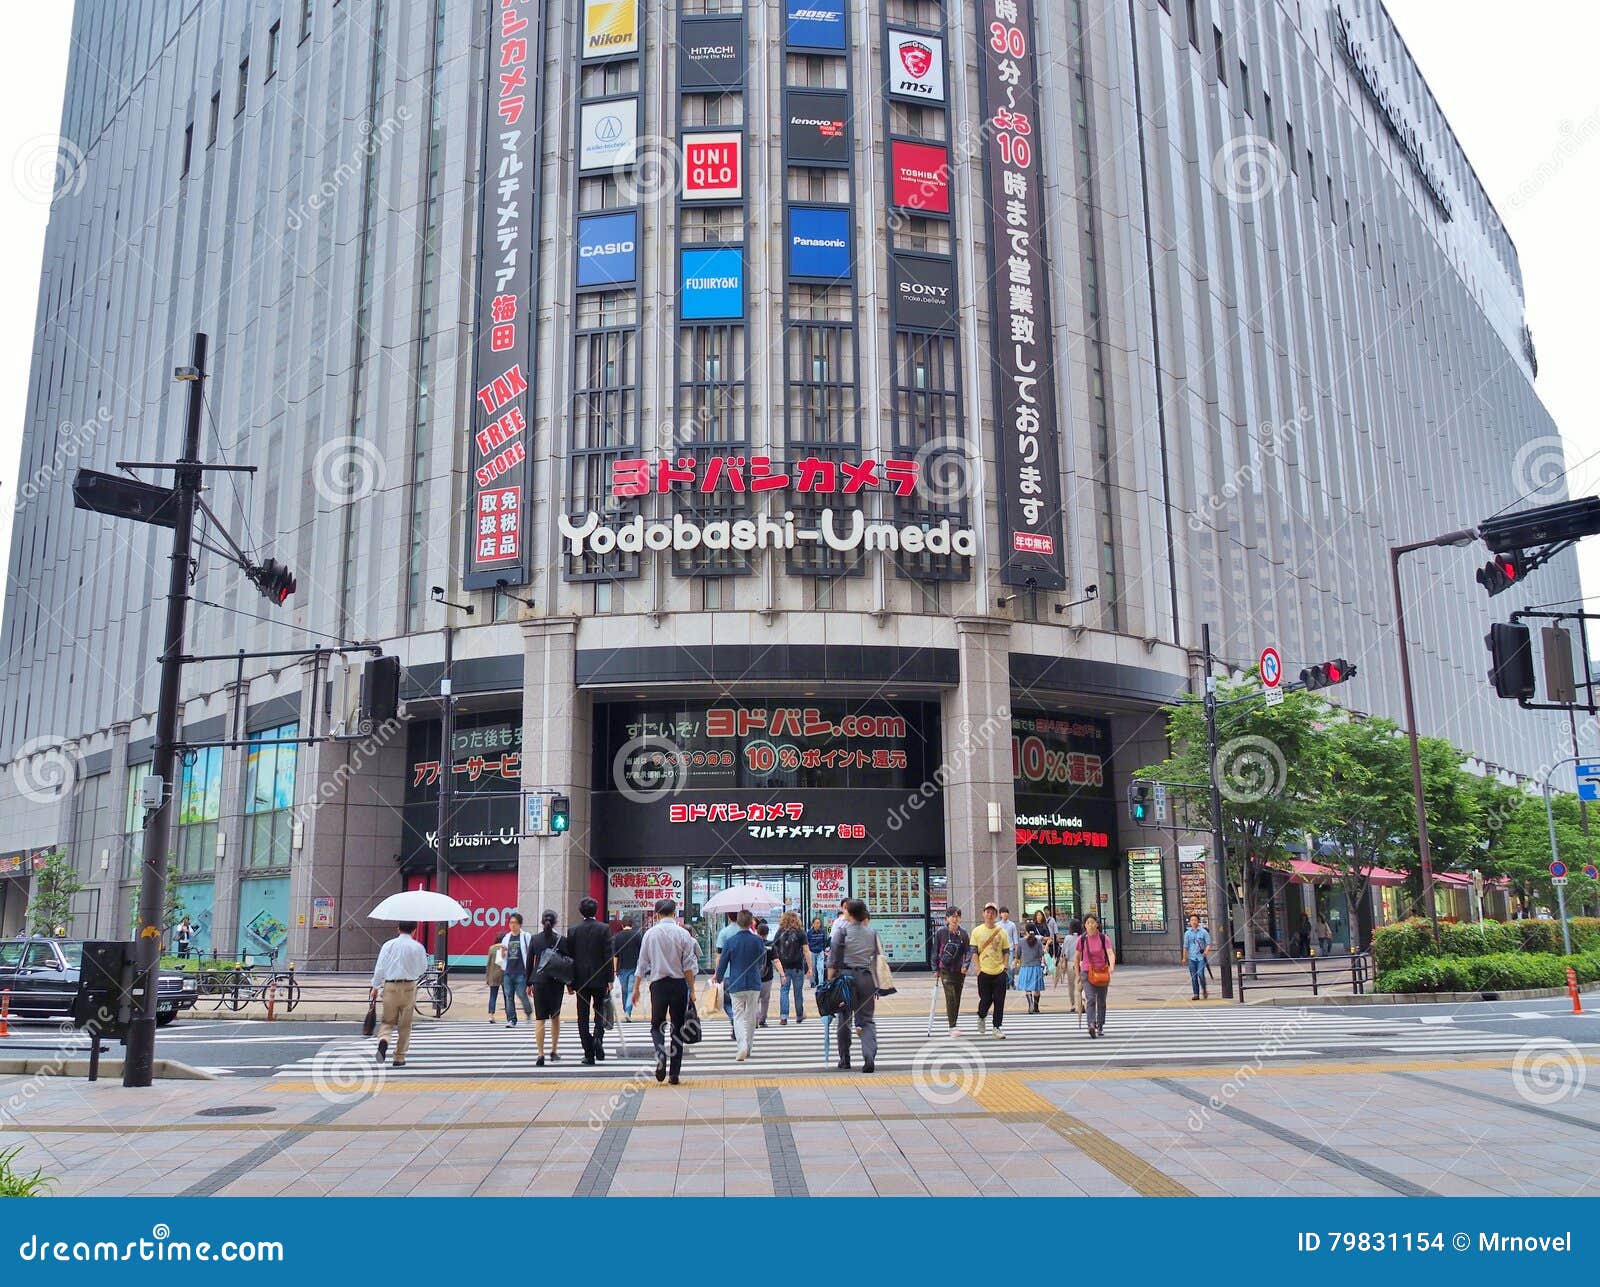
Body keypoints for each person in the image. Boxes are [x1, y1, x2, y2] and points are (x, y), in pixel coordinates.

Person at [632, 898, 698, 1084]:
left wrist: (636, 988)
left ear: (657, 914)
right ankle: (674, 1074)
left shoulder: (650, 934)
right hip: (678, 985)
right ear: (674, 913)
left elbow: (642, 963)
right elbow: (688, 966)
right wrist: (692, 990)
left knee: (657, 1025)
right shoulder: (683, 934)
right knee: (678, 1028)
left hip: (658, 985)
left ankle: (660, 1053)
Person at [828, 898, 882, 1072]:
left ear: (850, 914)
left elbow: (833, 961)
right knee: (866, 1020)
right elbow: (878, 958)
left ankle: (845, 1059)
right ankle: (869, 1055)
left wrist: (829, 982)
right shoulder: (872, 933)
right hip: (866, 977)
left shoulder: (842, 932)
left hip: (845, 978)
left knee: (844, 1019)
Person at [369, 921, 429, 1067]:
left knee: (388, 1021)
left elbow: (379, 968)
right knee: (405, 1024)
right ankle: (399, 1057)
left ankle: (384, 1040)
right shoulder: (418, 947)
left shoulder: (388, 945)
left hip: (390, 986)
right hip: (409, 987)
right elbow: (422, 968)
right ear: (414, 930)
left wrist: (375, 987)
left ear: (398, 929)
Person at [566, 897, 615, 1065]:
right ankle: (598, 1037)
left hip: (580, 980)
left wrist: (570, 982)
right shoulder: (604, 929)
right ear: (596, 910)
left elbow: (569, 958)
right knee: (600, 1011)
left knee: (582, 1016)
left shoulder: (573, 931)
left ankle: (588, 1052)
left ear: (581, 911)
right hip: (600, 979)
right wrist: (610, 978)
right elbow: (608, 955)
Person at [714, 910, 768, 1062]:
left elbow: (723, 963)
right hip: (754, 982)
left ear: (737, 922)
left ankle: (742, 1046)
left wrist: (718, 978)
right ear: (751, 923)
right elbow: (762, 961)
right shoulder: (757, 941)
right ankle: (749, 1047)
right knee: (751, 1016)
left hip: (736, 982)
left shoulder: (731, 941)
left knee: (738, 1016)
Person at [529, 910, 566, 1066]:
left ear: (541, 922)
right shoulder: (561, 940)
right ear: (556, 922)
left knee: (540, 1019)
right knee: (555, 1017)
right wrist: (570, 984)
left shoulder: (535, 939)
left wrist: (529, 983)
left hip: (539, 982)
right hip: (556, 983)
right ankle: (554, 1051)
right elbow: (567, 962)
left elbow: (529, 962)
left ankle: (540, 1054)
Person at [970, 902, 1011, 1039]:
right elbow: (973, 951)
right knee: (986, 999)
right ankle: (981, 1016)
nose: (990, 914)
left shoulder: (1002, 932)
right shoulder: (977, 931)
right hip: (984, 972)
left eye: (992, 912)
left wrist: (1005, 966)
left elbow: (1006, 951)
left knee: (999, 1000)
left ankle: (996, 1027)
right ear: (983, 914)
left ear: (996, 915)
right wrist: (978, 969)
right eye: (987, 912)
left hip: (999, 971)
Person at [930, 906, 971, 1034]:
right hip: (945, 969)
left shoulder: (963, 933)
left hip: (959, 970)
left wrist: (966, 965)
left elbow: (968, 951)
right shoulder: (940, 933)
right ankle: (952, 1026)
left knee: (957, 997)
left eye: (957, 916)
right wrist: (935, 969)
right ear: (946, 918)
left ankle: (954, 1023)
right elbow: (935, 950)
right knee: (951, 996)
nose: (955, 919)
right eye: (952, 916)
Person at [1077, 912, 1116, 1038]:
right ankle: (1091, 1024)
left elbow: (1110, 953)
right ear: (1085, 925)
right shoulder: (1082, 939)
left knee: (1101, 1001)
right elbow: (1077, 957)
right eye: (1088, 923)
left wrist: (1111, 966)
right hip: (1086, 972)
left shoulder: (1104, 938)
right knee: (1090, 999)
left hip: (1102, 972)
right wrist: (1077, 974)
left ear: (1097, 924)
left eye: (1092, 922)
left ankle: (1100, 1025)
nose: (1090, 925)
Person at [773, 911, 810, 1024]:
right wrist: (810, 967)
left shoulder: (779, 932)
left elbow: (774, 949)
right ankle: (799, 1015)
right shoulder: (801, 933)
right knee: (798, 992)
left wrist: (776, 964)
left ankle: (784, 1017)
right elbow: (806, 951)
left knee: (784, 990)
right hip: (798, 966)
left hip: (784, 967)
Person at [499, 913, 535, 1027]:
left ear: (520, 924)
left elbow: (531, 953)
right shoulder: (506, 938)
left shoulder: (526, 936)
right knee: (508, 996)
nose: (513, 925)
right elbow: (501, 958)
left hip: (521, 972)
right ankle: (511, 1019)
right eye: (511, 923)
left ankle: (528, 1011)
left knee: (521, 994)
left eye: (515, 923)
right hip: (508, 972)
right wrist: (503, 952)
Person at [713, 911, 741, 1040]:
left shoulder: (724, 933)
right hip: (743, 974)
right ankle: (738, 1023)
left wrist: (717, 973)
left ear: (729, 917)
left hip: (727, 973)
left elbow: (719, 956)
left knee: (726, 1001)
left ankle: (733, 1017)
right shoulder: (747, 932)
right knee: (740, 1003)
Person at [612, 916, 642, 1022]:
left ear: (622, 925)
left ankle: (626, 1010)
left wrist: (614, 970)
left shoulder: (617, 937)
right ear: (632, 924)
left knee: (624, 991)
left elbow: (615, 955)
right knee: (631, 990)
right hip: (634, 967)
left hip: (622, 968)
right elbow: (641, 953)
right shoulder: (637, 935)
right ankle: (628, 1012)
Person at [1017, 923, 1047, 1013]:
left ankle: (1030, 1004)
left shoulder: (1021, 941)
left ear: (1026, 931)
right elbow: (1041, 954)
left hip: (1025, 967)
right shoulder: (1038, 941)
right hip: (1036, 967)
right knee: (1037, 988)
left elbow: (1018, 954)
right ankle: (1036, 1007)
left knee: (1028, 988)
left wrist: (1017, 961)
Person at [1183, 913, 1211, 1000]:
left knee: (1200, 974)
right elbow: (1185, 946)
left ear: (1198, 921)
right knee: (1193, 977)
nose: (1193, 922)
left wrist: (1206, 951)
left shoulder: (1203, 932)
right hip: (1191, 957)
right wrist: (1184, 957)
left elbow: (1208, 944)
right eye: (1192, 920)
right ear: (1190, 922)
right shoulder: (1187, 933)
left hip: (1201, 957)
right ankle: (1196, 994)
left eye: (1195, 920)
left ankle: (1204, 989)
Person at [755, 918, 776, 1027]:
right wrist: (782, 974)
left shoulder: (753, 944)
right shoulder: (770, 945)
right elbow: (776, 960)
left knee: (754, 999)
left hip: (754, 975)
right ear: (767, 933)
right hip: (768, 975)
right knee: (765, 999)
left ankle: (756, 1018)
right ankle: (762, 1019)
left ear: (757, 932)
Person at [1062, 918, 1084, 1011]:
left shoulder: (1067, 938)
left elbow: (1065, 952)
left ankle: (1072, 1004)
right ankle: (1081, 1003)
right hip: (1081, 963)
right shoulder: (1083, 937)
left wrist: (1064, 962)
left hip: (1070, 963)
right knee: (1081, 984)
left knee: (1071, 985)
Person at [996, 906, 1021, 985]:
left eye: (1006, 913)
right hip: (1000, 949)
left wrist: (1016, 950)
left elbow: (1015, 938)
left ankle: (1011, 981)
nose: (1005, 914)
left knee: (1010, 966)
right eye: (1003, 913)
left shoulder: (1012, 925)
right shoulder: (997, 925)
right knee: (1002, 967)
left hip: (1010, 949)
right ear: (1000, 914)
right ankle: (1006, 982)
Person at [485, 935, 507, 1024]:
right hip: (504, 974)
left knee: (493, 995)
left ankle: (491, 1015)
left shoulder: (491, 948)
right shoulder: (505, 948)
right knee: (507, 996)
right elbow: (503, 961)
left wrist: (487, 976)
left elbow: (488, 963)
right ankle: (509, 1015)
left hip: (493, 975)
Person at [806, 916, 830, 988]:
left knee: (820, 968)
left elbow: (825, 941)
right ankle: (812, 983)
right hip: (812, 952)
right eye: (816, 923)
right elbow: (807, 942)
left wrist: (823, 949)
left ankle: (820, 984)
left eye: (819, 923)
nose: (817, 925)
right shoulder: (809, 933)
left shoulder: (822, 932)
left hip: (820, 952)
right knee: (812, 968)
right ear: (813, 924)